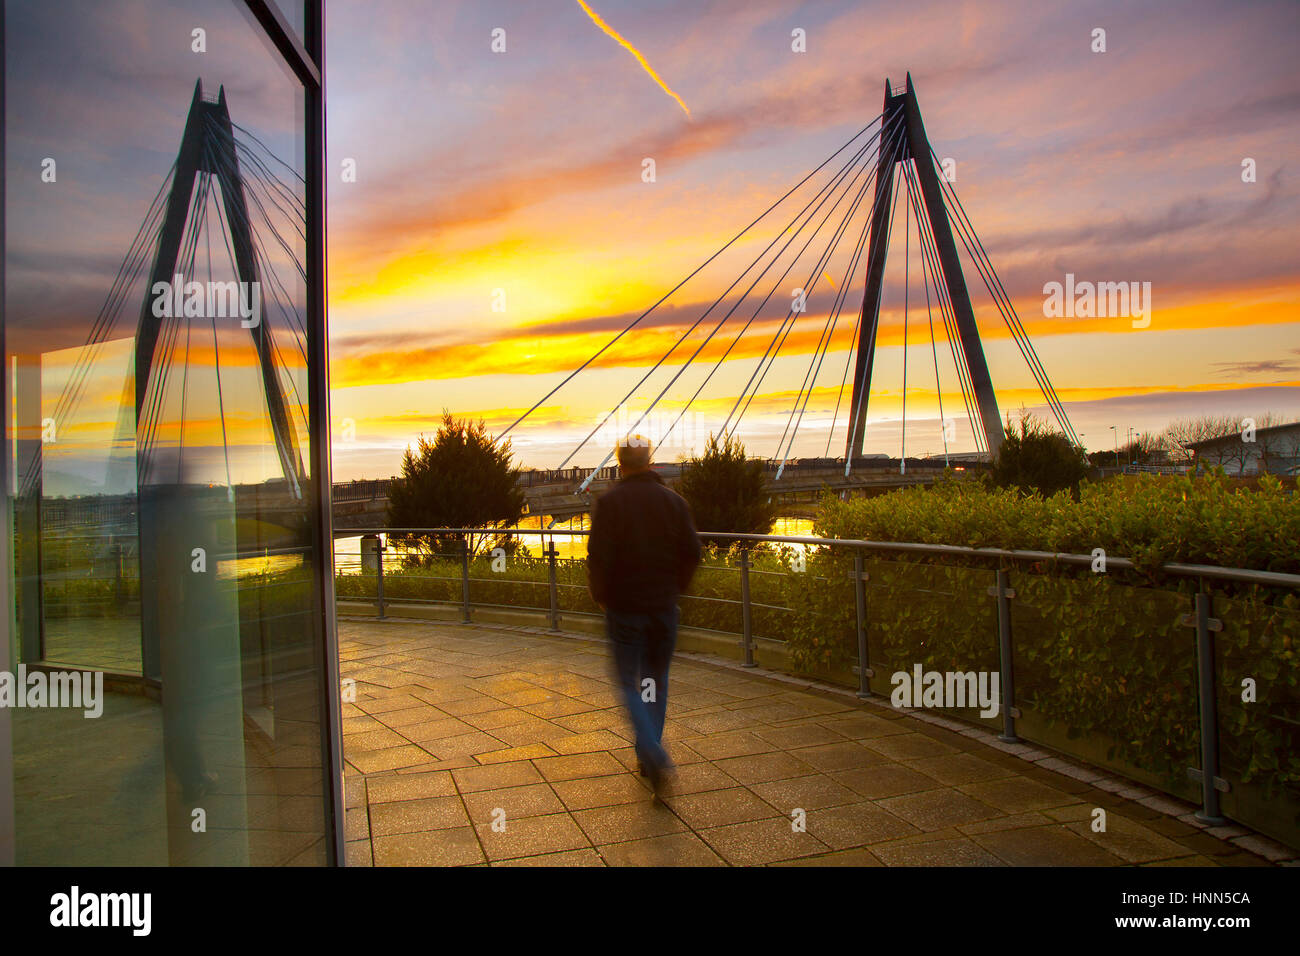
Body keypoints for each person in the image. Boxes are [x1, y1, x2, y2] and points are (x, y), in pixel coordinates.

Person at [587, 435, 701, 799]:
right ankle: (647, 751)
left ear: (619, 464)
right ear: (650, 461)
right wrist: (675, 588)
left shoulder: (608, 503)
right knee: (655, 682)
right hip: (663, 610)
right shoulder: (674, 502)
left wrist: (601, 597)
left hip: (624, 609)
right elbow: (693, 552)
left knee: (628, 683)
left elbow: (598, 558)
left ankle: (652, 752)